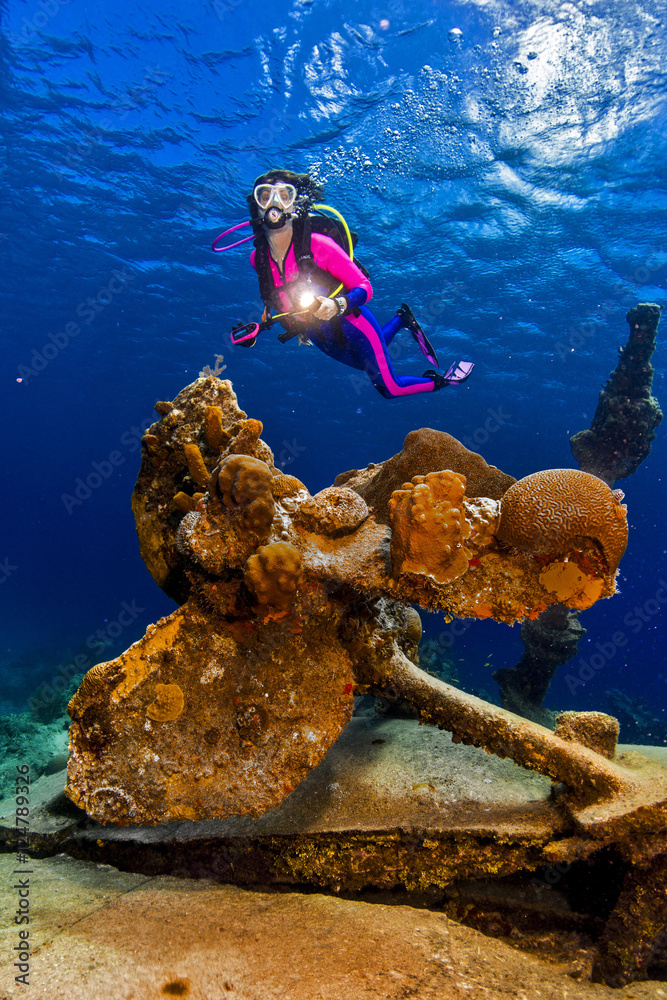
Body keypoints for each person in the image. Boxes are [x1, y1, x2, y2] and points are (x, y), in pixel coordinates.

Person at [241, 168, 474, 399]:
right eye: (265, 196)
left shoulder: (318, 245)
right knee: (367, 365)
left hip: (353, 323)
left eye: (284, 195)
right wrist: (282, 327)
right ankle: (402, 319)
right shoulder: (257, 258)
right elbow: (278, 296)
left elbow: (364, 286)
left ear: (295, 204)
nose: (274, 203)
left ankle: (442, 380)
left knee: (389, 388)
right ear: (257, 206)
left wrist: (337, 305)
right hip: (316, 334)